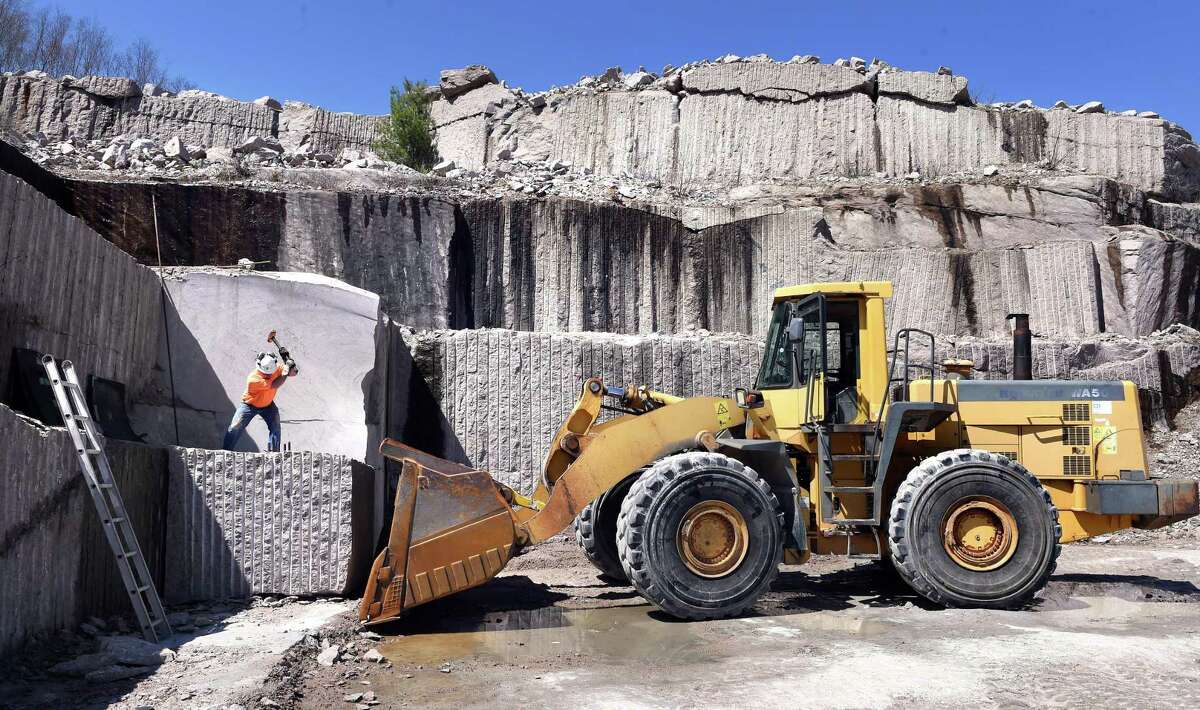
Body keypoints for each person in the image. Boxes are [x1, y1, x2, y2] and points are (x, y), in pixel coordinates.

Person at [222, 351, 296, 452]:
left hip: (268, 405)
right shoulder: (253, 379)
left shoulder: (276, 367)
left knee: (276, 427)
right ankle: (226, 451)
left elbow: (293, 373)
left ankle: (274, 453)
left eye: (269, 373)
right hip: (249, 405)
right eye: (265, 373)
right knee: (234, 427)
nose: (267, 375)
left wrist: (288, 361)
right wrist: (286, 370)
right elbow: (275, 384)